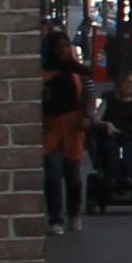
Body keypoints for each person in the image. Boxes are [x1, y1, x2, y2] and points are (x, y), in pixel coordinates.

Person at [41, 34, 91, 234]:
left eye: (66, 46)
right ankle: (55, 218)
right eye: (58, 46)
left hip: (73, 128)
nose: (63, 50)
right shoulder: (44, 74)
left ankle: (73, 213)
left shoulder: (80, 72)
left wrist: (88, 116)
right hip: (51, 128)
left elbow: (89, 96)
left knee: (73, 177)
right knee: (53, 175)